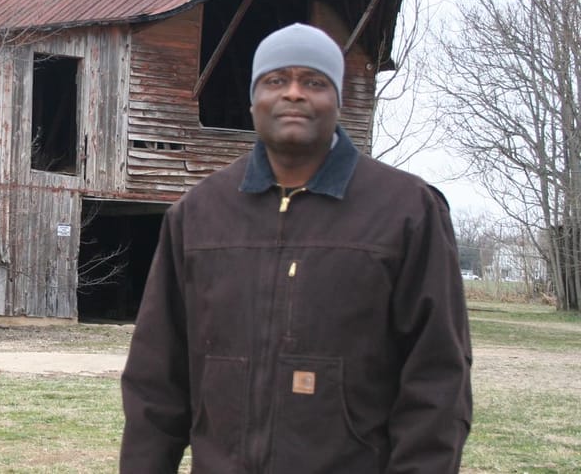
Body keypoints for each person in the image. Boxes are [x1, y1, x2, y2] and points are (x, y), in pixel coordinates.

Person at [119, 23, 472, 473]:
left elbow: (438, 377)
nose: (293, 93)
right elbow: (156, 377)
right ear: (253, 100)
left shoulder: (407, 211)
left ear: (338, 100)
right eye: (275, 80)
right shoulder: (198, 214)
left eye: (314, 82)